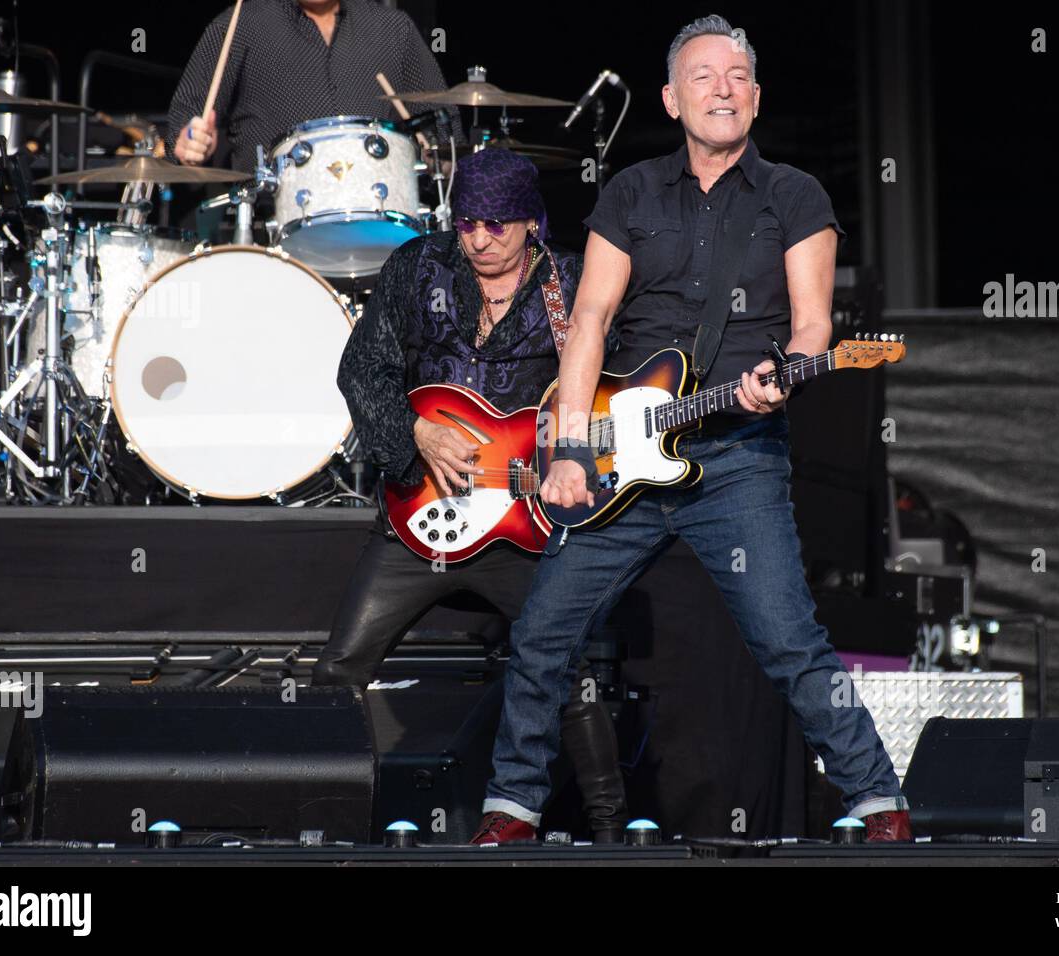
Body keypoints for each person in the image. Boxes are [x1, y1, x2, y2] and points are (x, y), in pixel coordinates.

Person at [471, 15, 911, 845]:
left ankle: (877, 800)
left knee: (789, 640)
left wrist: (779, 379)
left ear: (756, 97)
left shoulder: (794, 196)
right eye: (704, 75)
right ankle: (512, 808)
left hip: (737, 456)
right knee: (541, 634)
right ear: (672, 99)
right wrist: (569, 444)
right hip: (619, 459)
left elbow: (815, 330)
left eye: (739, 76)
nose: (723, 87)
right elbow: (592, 318)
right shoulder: (632, 192)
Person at [311, 148, 628, 843]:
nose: (479, 238)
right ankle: (321, 824)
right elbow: (361, 368)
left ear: (531, 225)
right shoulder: (416, 267)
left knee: (563, 673)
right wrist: (416, 433)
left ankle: (612, 834)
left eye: (496, 224)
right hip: (417, 508)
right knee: (338, 668)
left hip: (523, 523)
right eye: (466, 224)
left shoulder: (569, 284)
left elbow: (613, 386)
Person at [164, 0, 461, 171]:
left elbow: (444, 129)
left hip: (385, 220)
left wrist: (438, 156)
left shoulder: (393, 29)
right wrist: (189, 141)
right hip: (273, 231)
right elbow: (186, 117)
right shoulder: (240, 24)